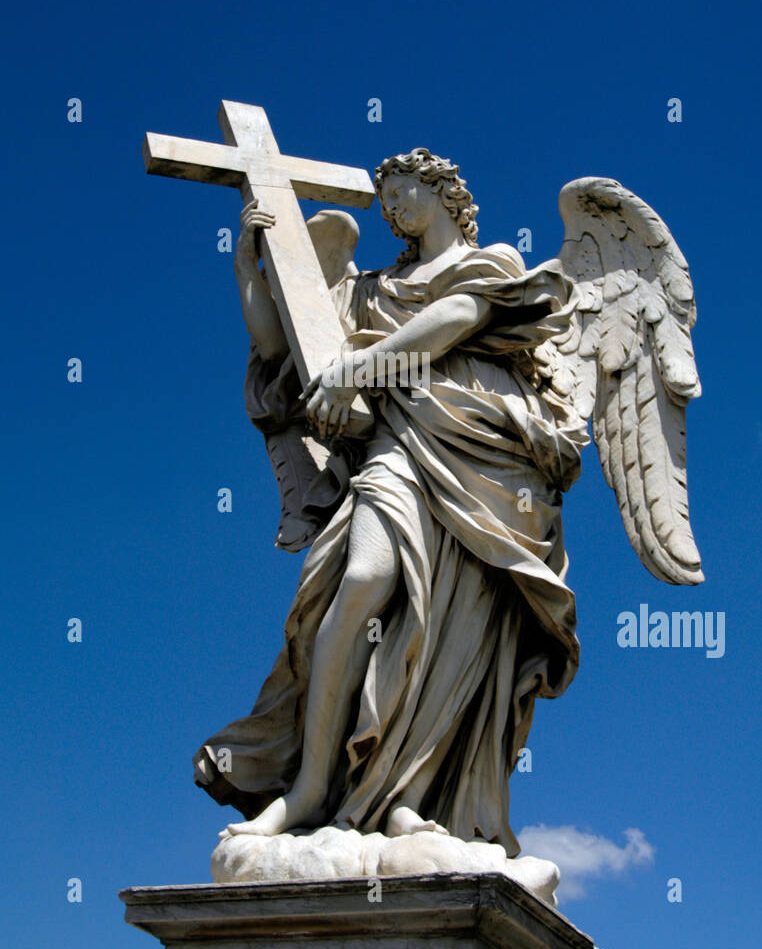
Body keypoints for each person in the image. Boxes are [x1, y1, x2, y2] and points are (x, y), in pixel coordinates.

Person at [193, 148, 589, 851]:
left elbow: (455, 321)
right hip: (399, 447)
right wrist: (247, 267)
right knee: (363, 579)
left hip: (486, 459)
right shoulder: (373, 288)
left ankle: (409, 794)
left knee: (451, 627)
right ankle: (313, 786)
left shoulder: (490, 261)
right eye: (386, 198)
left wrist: (364, 366)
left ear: (442, 191)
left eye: (403, 190)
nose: (394, 207)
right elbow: (284, 347)